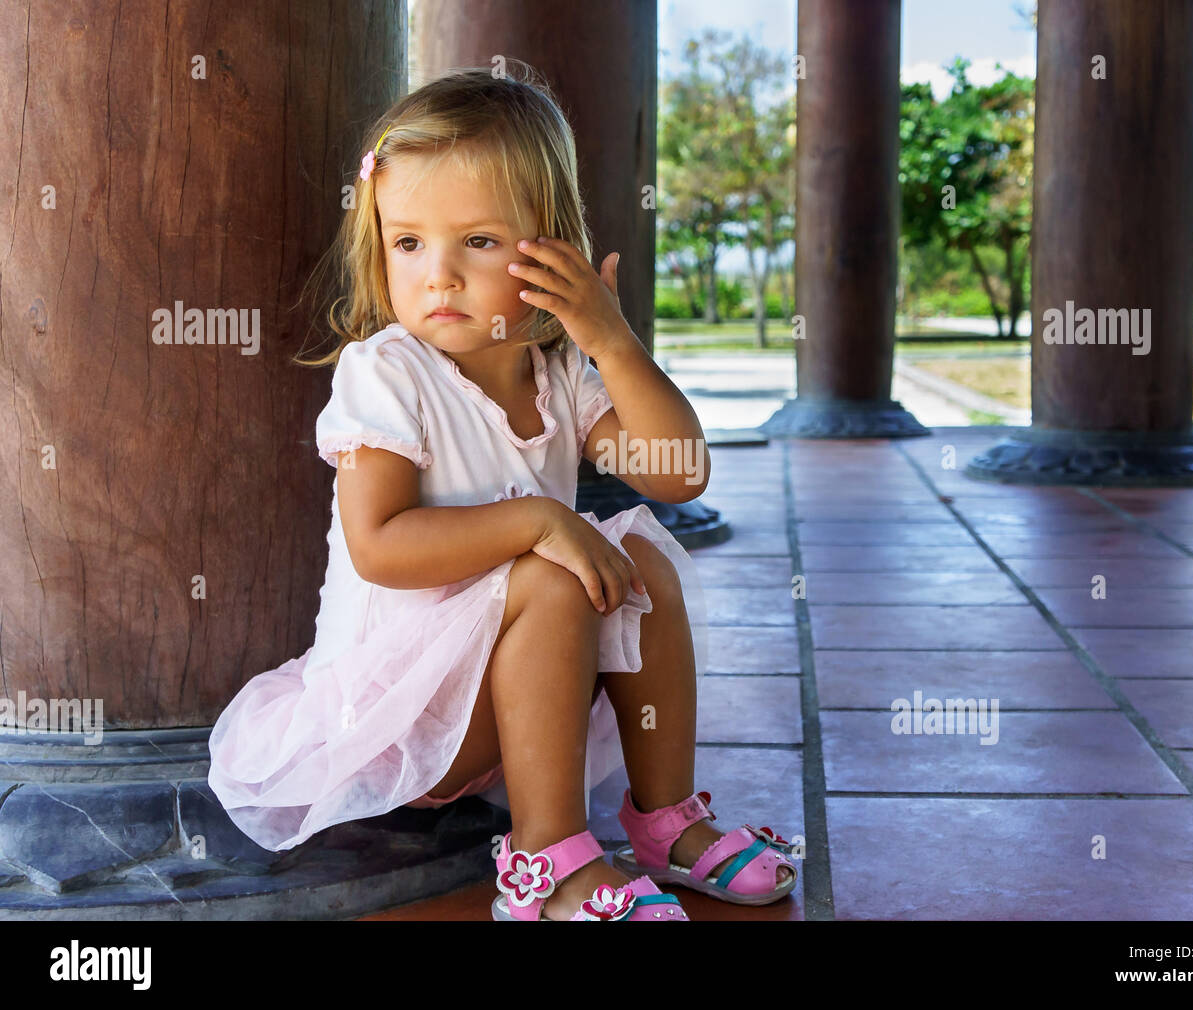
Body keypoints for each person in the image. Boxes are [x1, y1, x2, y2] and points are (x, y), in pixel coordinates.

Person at [207, 62, 796, 922]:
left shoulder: (556, 372)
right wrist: (538, 520)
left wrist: (611, 339)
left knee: (642, 555)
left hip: (503, 714)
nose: (437, 275)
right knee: (555, 568)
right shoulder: (389, 372)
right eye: (408, 242)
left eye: (477, 242)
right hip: (400, 726)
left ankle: (666, 819)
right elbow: (380, 545)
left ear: (552, 248)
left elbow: (679, 471)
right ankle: (544, 865)